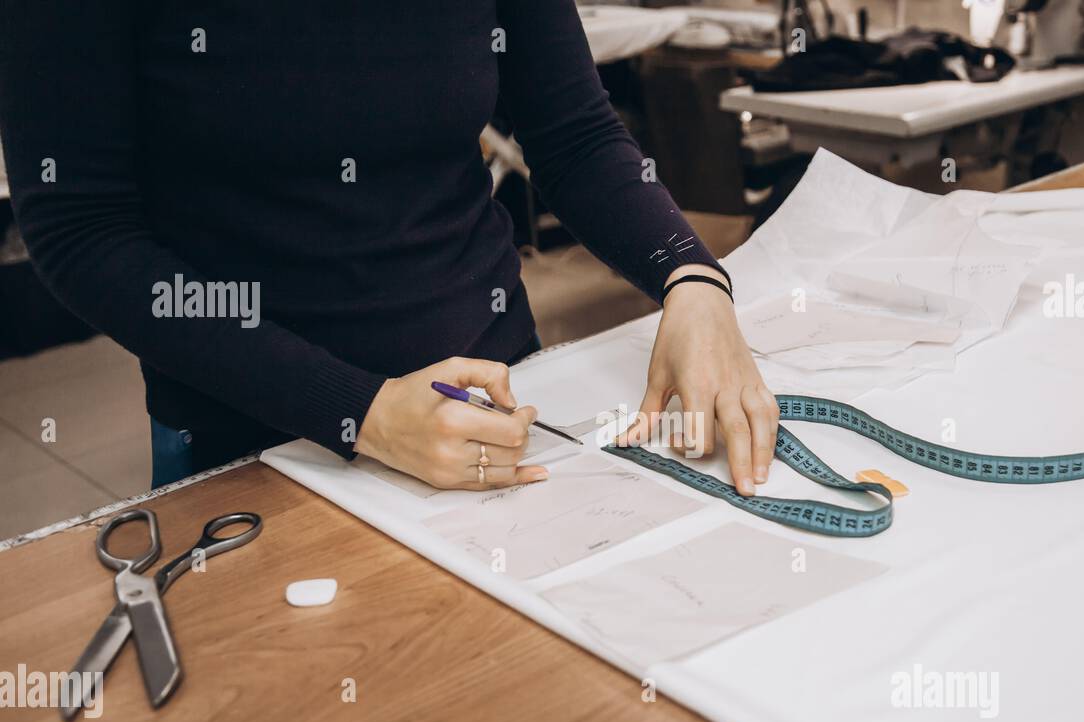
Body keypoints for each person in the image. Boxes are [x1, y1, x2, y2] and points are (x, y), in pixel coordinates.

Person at [0, 1, 777, 492]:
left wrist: (691, 277)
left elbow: (573, 133)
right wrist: (360, 413)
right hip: (260, 441)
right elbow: (81, 228)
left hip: (498, 397)